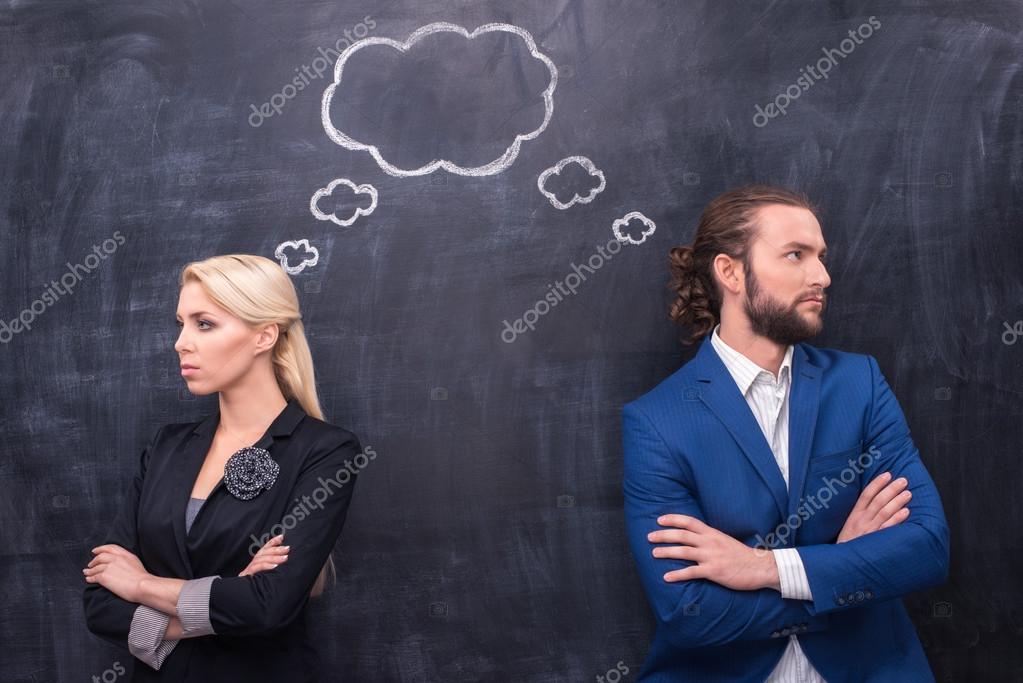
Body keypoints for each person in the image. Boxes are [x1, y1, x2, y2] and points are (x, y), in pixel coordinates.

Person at [622, 185, 949, 682]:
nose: (822, 276)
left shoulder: (859, 384)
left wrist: (765, 568)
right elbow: (689, 614)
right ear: (730, 272)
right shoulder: (657, 422)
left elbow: (926, 550)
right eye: (796, 255)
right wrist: (841, 567)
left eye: (820, 257)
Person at [83, 254, 363, 681]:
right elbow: (101, 604)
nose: (181, 342)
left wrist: (140, 586)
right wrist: (227, 597)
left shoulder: (325, 451)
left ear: (264, 336)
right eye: (181, 323)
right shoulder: (166, 447)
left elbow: (268, 607)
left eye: (204, 323)